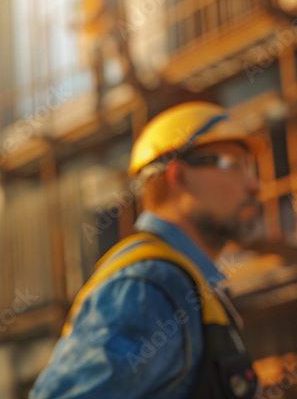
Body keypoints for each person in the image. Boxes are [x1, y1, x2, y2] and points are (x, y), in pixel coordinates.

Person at [31, 101, 262, 399]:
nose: (254, 185)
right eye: (233, 165)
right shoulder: (150, 287)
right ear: (179, 176)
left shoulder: (183, 283)